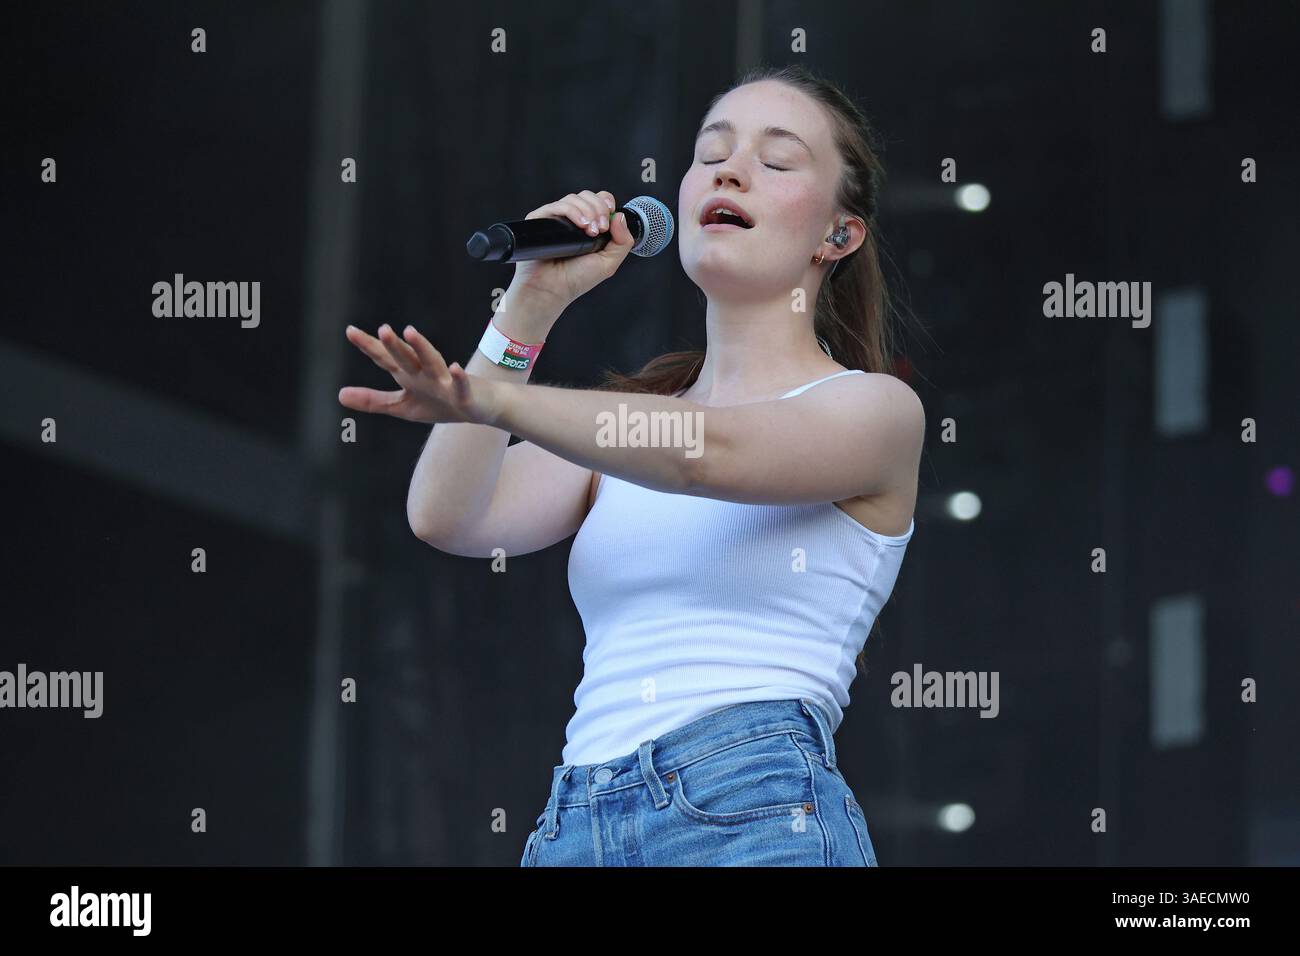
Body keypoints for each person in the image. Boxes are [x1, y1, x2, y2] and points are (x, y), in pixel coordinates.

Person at [338, 63, 924, 866]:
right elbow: (449, 515)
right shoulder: (628, 428)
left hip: (751, 805)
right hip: (576, 819)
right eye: (710, 151)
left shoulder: (876, 410)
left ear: (839, 234)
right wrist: (530, 303)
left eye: (777, 160)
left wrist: (488, 400)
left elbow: (703, 455)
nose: (729, 168)